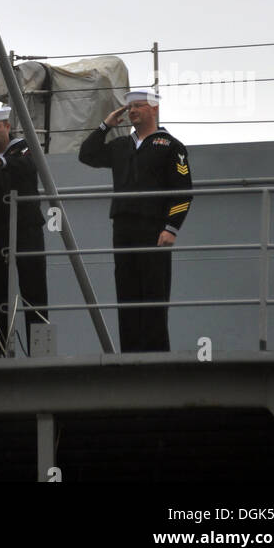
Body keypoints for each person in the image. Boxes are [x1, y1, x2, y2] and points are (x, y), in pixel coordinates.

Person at [78, 89, 193, 352]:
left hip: (154, 228)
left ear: (154, 109)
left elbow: (184, 192)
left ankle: (156, 353)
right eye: (130, 108)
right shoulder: (121, 146)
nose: (133, 112)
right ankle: (129, 354)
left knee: (154, 290)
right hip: (123, 227)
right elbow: (87, 155)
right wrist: (105, 125)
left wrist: (171, 228)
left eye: (139, 106)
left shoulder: (170, 146)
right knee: (126, 292)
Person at [0, 107, 48, 356]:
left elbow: (28, 168)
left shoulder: (25, 149)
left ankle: (40, 350)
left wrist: (2, 162)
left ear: (7, 126)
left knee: (34, 289)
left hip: (27, 227)